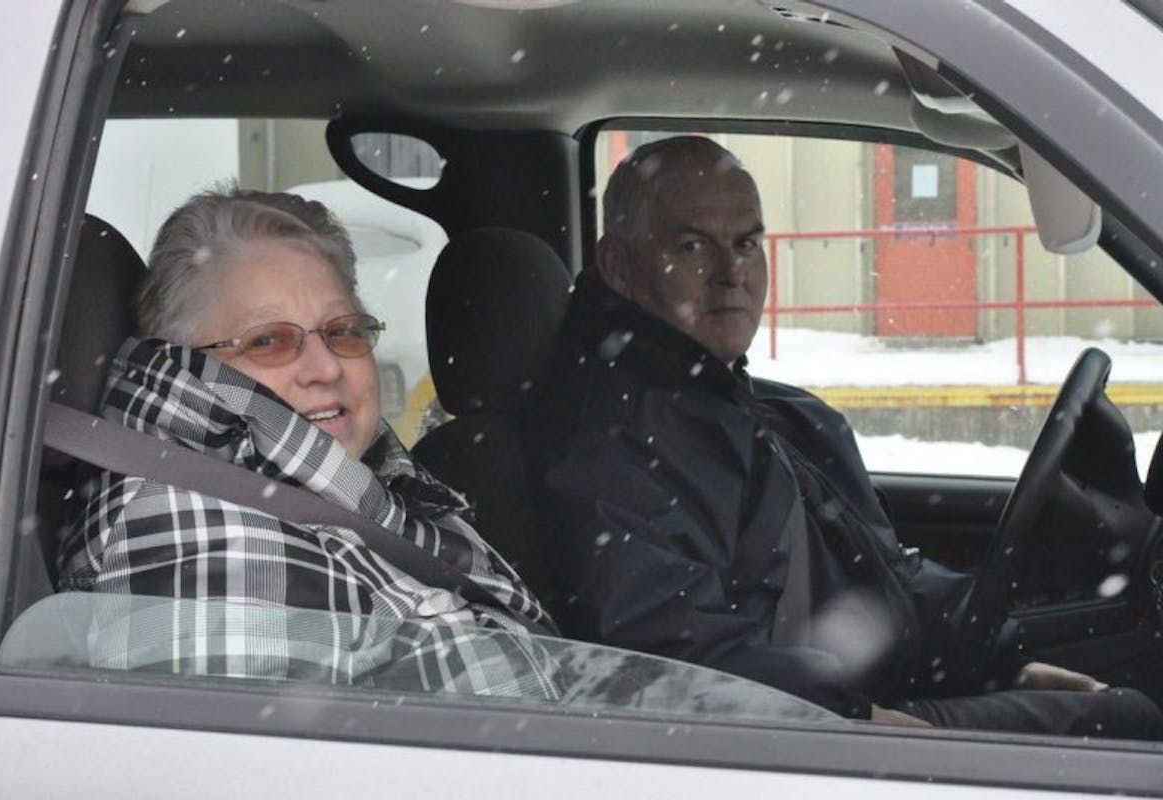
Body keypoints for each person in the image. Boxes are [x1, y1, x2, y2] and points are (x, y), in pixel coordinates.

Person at [527, 135, 1163, 735]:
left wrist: (1003, 666)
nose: (731, 271)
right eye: (693, 246)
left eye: (747, 243)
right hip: (797, 740)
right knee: (1130, 727)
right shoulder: (612, 440)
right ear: (619, 265)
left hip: (848, 708)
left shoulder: (774, 411)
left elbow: (879, 577)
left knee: (1119, 713)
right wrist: (862, 723)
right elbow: (673, 662)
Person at [57, 187, 558, 696]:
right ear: (183, 359)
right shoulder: (211, 554)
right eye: (268, 341)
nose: (327, 367)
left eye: (343, 331)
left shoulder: (358, 485)